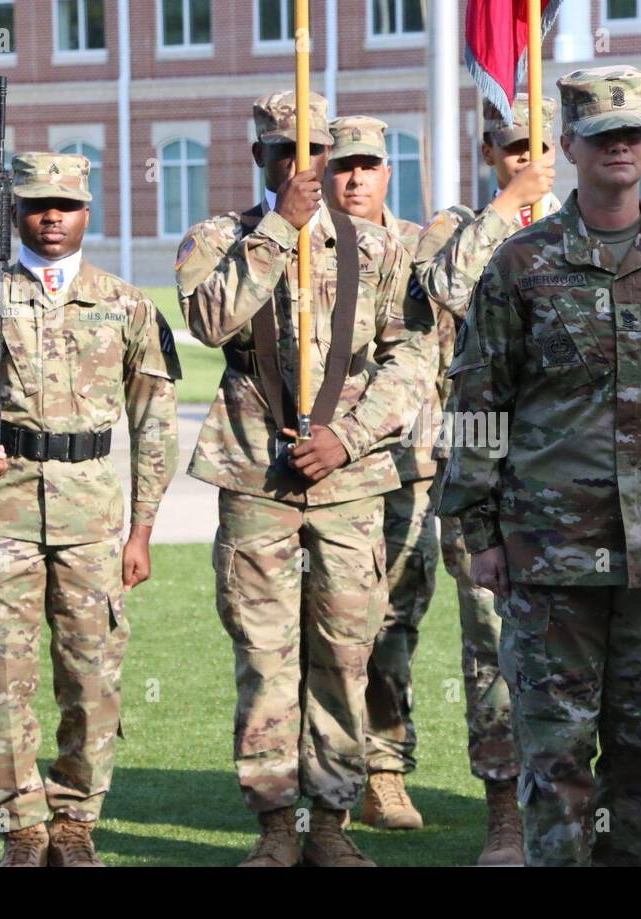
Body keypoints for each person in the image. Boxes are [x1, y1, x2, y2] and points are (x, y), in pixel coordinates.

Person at [437, 65, 641, 867]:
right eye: (602, 136)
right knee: (557, 757)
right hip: (551, 556)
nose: (620, 148)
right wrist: (479, 532)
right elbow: (479, 404)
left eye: (632, 134)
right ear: (569, 145)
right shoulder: (521, 264)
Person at [175, 90, 433, 866]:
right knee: (264, 655)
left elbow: (412, 357)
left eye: (313, 152)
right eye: (282, 151)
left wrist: (348, 438)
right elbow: (209, 321)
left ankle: (332, 821)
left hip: (350, 482)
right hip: (256, 473)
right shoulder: (218, 237)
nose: (301, 165)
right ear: (259, 159)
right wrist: (276, 231)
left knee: (346, 653)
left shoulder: (379, 248)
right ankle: (275, 825)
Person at [0, 152, 181, 866]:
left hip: (93, 520)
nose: (51, 216)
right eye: (35, 205)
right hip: (2, 517)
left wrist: (143, 529)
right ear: (15, 214)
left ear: (89, 212)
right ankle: (22, 827)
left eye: (65, 204)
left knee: (92, 680)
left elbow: (155, 424)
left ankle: (75, 822)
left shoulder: (126, 304)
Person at [414, 93, 560, 865]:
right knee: (492, 642)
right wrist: (508, 207)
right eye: (512, 149)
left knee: (582, 639)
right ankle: (504, 804)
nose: (528, 160)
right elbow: (444, 292)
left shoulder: (587, 224)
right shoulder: (457, 229)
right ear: (488, 153)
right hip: (486, 465)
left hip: (575, 472)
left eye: (539, 147)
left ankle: (575, 800)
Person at [324, 114, 431, 830]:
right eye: (342, 165)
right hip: (333, 473)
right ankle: (329, 773)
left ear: (388, 172)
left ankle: (385, 770)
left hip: (414, 463)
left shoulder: (424, 245)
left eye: (369, 164)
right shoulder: (307, 250)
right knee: (334, 629)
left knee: (395, 625)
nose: (357, 177)